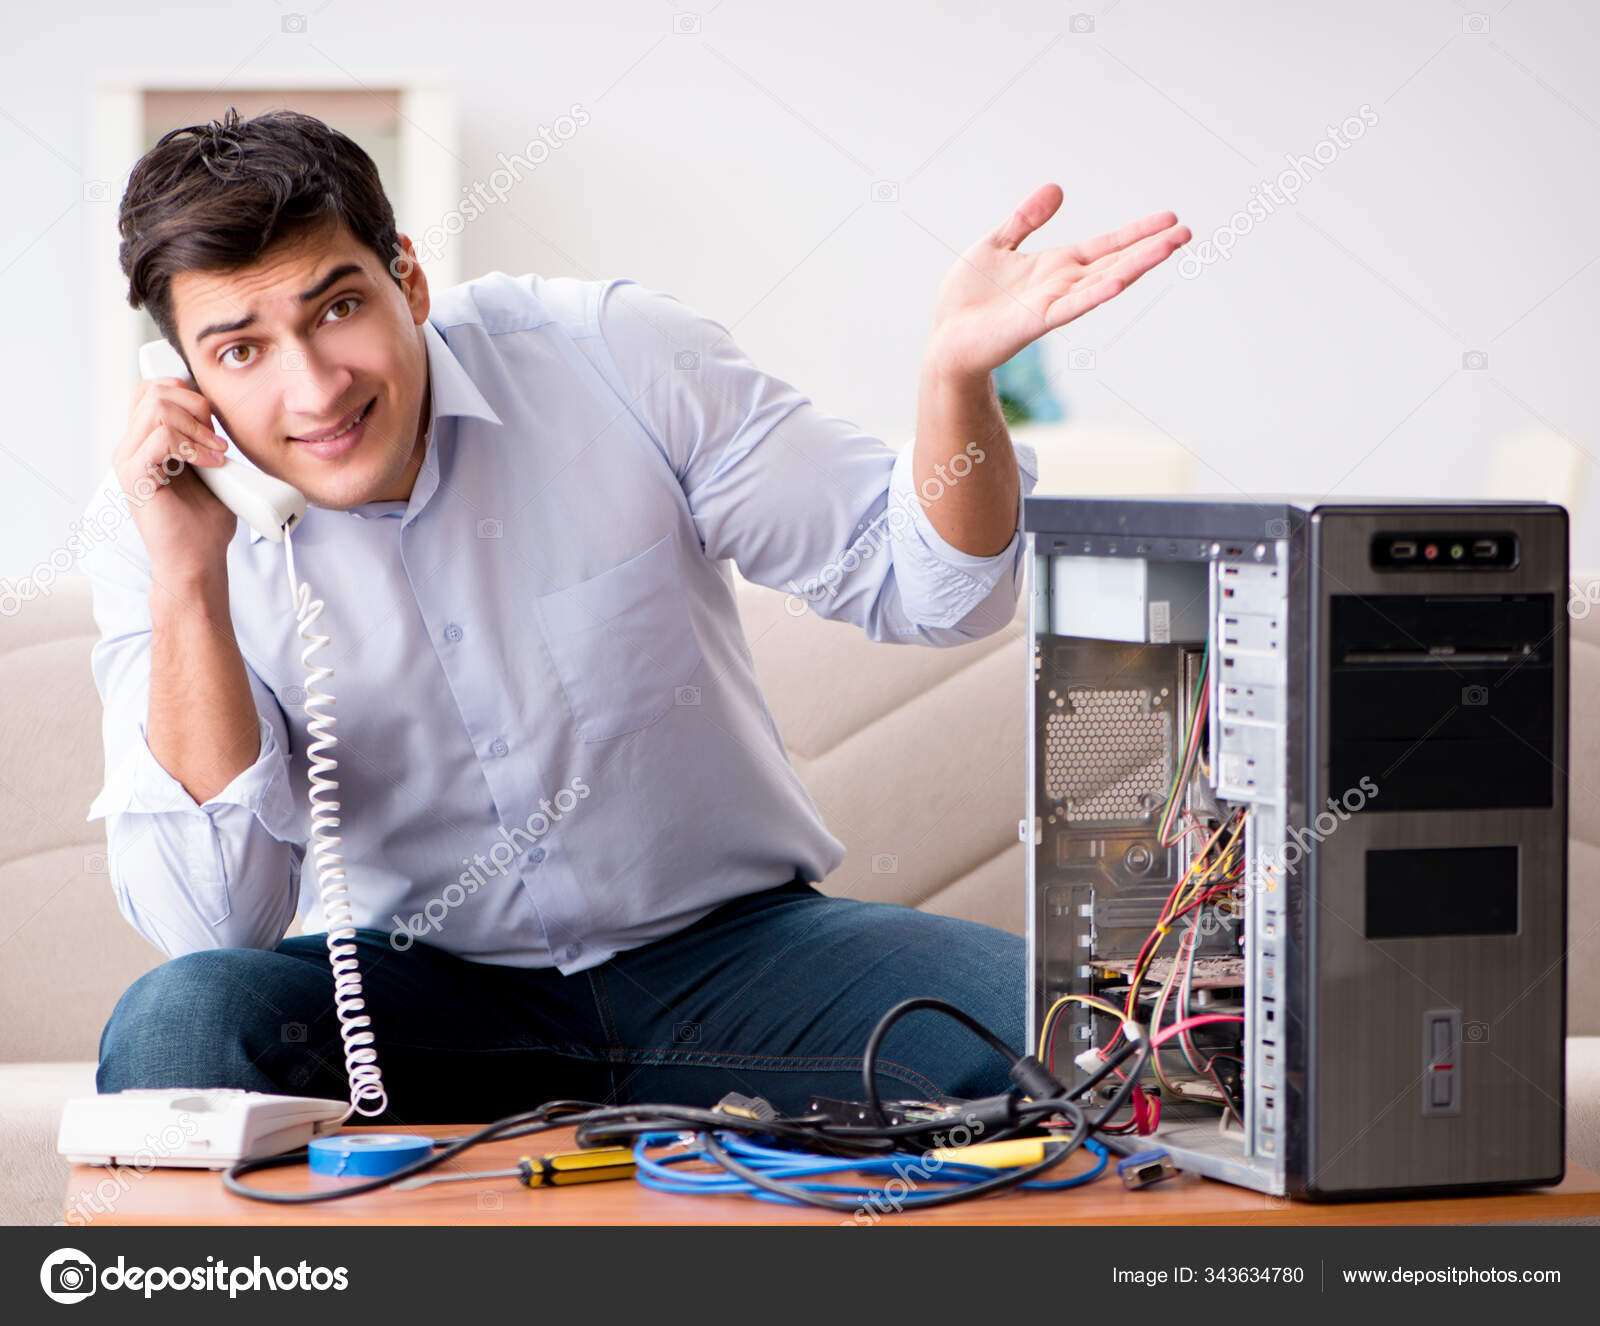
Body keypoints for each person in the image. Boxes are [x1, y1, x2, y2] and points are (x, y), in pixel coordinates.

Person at [87, 107, 1188, 1122]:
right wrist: (190, 581)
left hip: (737, 963)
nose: (316, 388)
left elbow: (929, 586)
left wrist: (954, 381)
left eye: (338, 308)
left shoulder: (610, 357)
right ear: (181, 377)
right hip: (419, 997)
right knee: (179, 1022)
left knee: (1094, 1043)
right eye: (241, 350)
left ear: (408, 280)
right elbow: (208, 925)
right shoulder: (161, 517)